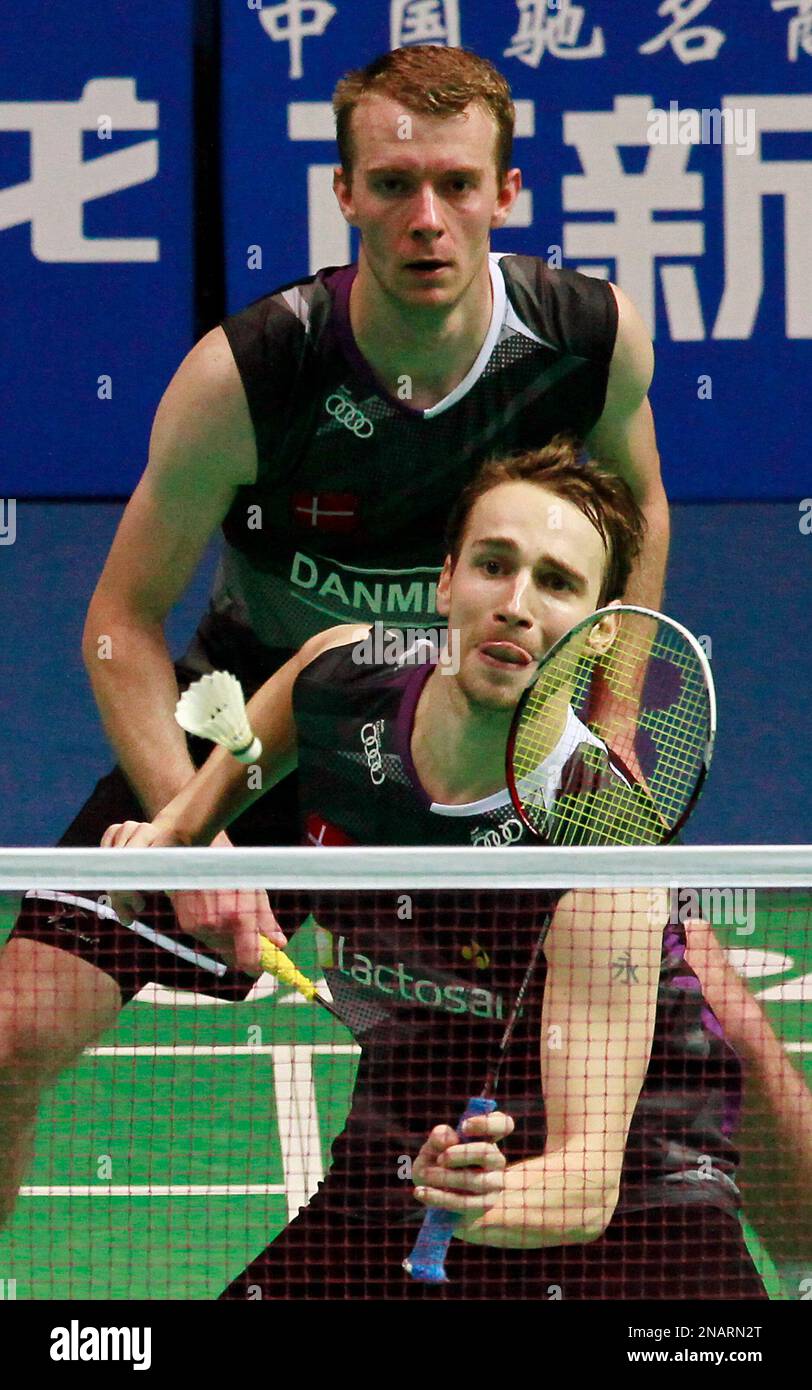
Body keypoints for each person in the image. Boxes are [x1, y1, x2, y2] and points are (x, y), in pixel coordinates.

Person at [0, 43, 670, 1231]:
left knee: (701, 1049)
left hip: (498, 745)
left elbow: (643, 510)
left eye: (458, 185)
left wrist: (604, 724)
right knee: (10, 1035)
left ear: (506, 195)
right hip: (265, 721)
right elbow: (119, 621)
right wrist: (196, 840)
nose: (427, 217)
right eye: (393, 182)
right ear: (343, 192)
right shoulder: (255, 371)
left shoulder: (586, 339)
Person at [102, 441, 810, 1300]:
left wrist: (479, 1199)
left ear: (597, 636)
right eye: (493, 564)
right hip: (411, 1124)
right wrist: (162, 861)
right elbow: (180, 836)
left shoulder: (603, 844)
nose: (515, 605)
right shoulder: (338, 679)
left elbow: (588, 1180)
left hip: (638, 1188)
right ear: (445, 582)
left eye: (556, 583)